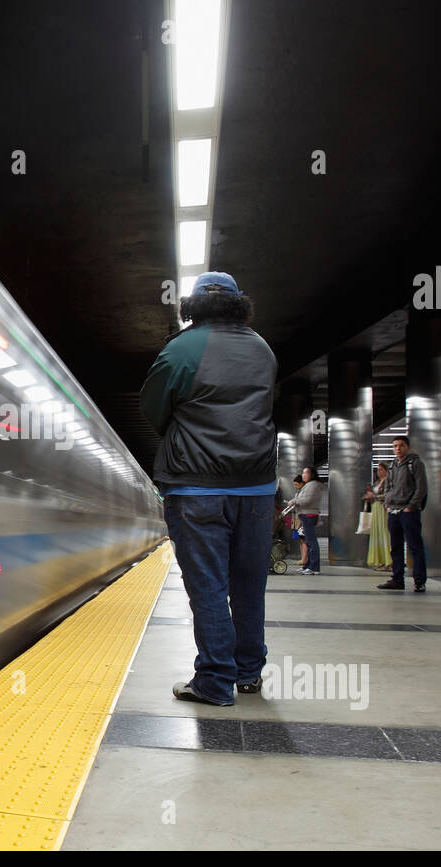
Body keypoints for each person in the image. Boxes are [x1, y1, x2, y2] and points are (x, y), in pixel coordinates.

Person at [140, 271, 277, 706]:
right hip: (256, 488)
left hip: (196, 487)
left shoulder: (182, 348)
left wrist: (184, 433)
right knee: (249, 584)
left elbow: (154, 407)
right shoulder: (262, 347)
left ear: (192, 305)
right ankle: (249, 673)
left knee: (209, 587)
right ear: (239, 302)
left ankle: (215, 681)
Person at [378, 436, 428, 592]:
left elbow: (421, 487)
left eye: (401, 446)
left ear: (407, 447)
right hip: (393, 511)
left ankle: (419, 581)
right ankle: (397, 579)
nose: (398, 449)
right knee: (396, 547)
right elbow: (388, 486)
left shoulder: (415, 464)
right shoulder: (393, 465)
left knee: (415, 546)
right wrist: (387, 503)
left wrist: (411, 506)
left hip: (408, 512)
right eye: (395, 446)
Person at [288, 467, 324, 574]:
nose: (303, 475)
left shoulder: (313, 485)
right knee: (308, 542)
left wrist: (294, 501)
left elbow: (307, 500)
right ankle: (308, 565)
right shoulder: (309, 485)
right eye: (303, 473)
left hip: (309, 515)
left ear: (312, 474)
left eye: (306, 473)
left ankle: (314, 567)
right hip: (306, 515)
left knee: (311, 542)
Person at [364, 462, 391, 569]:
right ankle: (381, 560)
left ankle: (389, 561)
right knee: (378, 535)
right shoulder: (377, 482)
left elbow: (388, 495)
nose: (379, 472)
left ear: (386, 470)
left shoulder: (389, 481)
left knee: (385, 534)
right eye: (378, 470)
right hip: (376, 509)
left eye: (381, 469)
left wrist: (375, 496)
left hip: (383, 509)